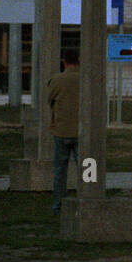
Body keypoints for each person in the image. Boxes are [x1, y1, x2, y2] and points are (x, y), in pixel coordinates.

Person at [48, 48, 80, 214]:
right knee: (89, 167)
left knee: (60, 171)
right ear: (79, 60)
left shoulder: (57, 80)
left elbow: (49, 99)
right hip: (83, 133)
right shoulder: (86, 79)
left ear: (64, 61)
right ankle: (89, 199)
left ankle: (58, 206)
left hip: (61, 131)